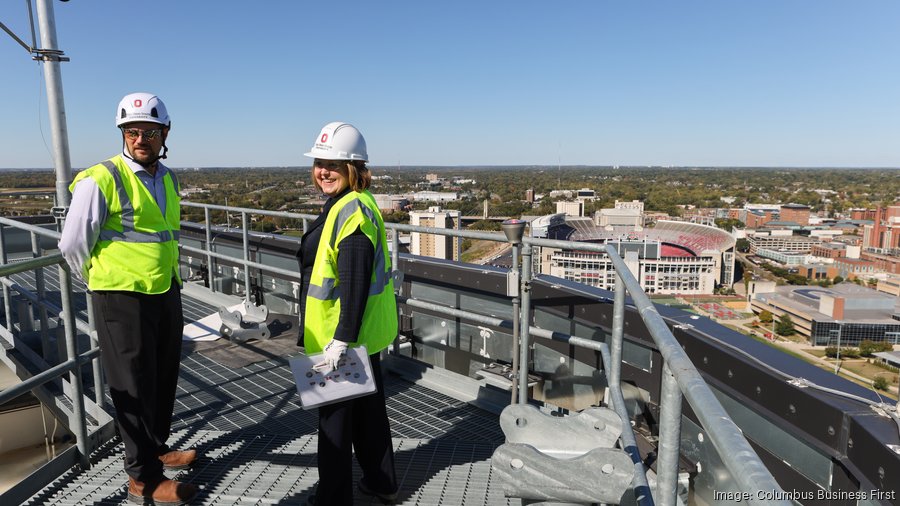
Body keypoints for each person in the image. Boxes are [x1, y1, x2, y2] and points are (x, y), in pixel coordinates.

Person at [59, 92, 198, 505]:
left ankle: (156, 449)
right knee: (132, 386)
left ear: (164, 134)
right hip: (120, 297)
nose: (141, 138)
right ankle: (143, 478)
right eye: (132, 131)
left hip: (163, 290)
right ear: (123, 133)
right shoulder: (101, 178)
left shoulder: (169, 178)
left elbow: (164, 236)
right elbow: (73, 245)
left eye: (150, 131)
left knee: (161, 377)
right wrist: (100, 281)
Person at [297, 122, 399, 505]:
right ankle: (381, 482)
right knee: (369, 417)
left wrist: (340, 339)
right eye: (320, 163)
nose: (324, 171)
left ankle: (333, 498)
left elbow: (354, 281)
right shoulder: (353, 203)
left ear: (354, 168)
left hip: (341, 338)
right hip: (363, 334)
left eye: (334, 165)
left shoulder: (351, 213)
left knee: (335, 426)